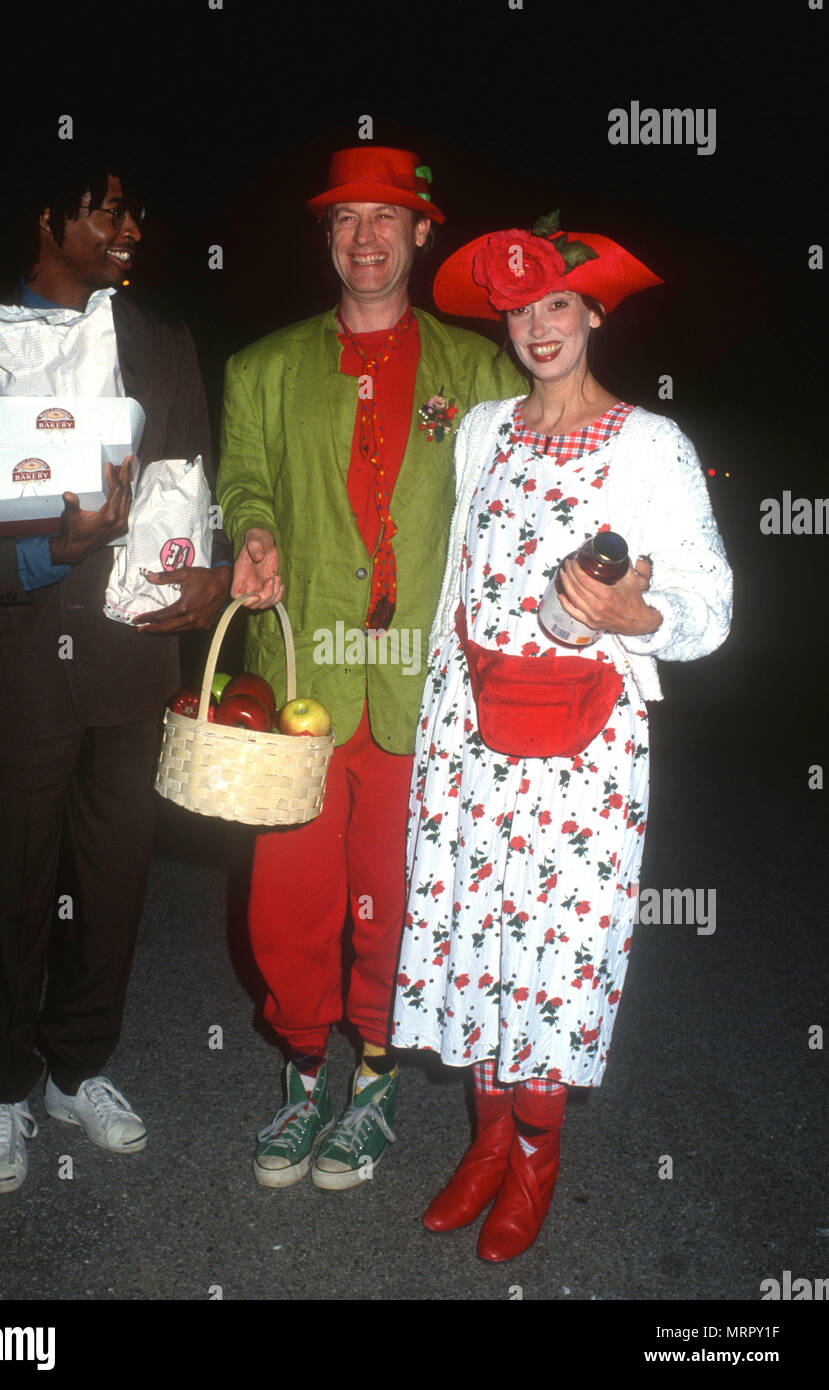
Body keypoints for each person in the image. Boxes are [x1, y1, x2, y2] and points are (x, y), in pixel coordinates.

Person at [390, 215, 732, 1259]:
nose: (537, 326)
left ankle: (536, 1157)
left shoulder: (649, 442)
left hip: (584, 754)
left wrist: (641, 617)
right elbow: (459, 575)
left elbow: (711, 606)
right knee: (476, 932)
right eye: (518, 307)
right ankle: (486, 1142)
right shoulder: (483, 429)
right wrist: (435, 711)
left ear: (592, 311)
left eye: (557, 304)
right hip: (470, 730)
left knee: (551, 945)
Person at [0, 152, 231, 1192]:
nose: (132, 228)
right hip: (10, 668)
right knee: (9, 879)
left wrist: (210, 576)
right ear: (50, 217)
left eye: (135, 210)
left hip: (133, 657)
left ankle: (77, 1068)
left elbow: (190, 488)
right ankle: (3, 1085)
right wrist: (59, 549)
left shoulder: (163, 340)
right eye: (111, 210)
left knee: (113, 877)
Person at [217, 147, 525, 1190]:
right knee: (287, 897)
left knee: (392, 895)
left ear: (422, 232)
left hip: (417, 681)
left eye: (385, 219)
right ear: (326, 236)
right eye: (345, 219)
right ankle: (304, 1074)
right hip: (303, 677)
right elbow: (246, 486)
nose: (364, 239)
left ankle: (377, 1079)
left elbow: (510, 514)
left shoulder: (480, 371)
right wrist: (252, 536)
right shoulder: (260, 368)